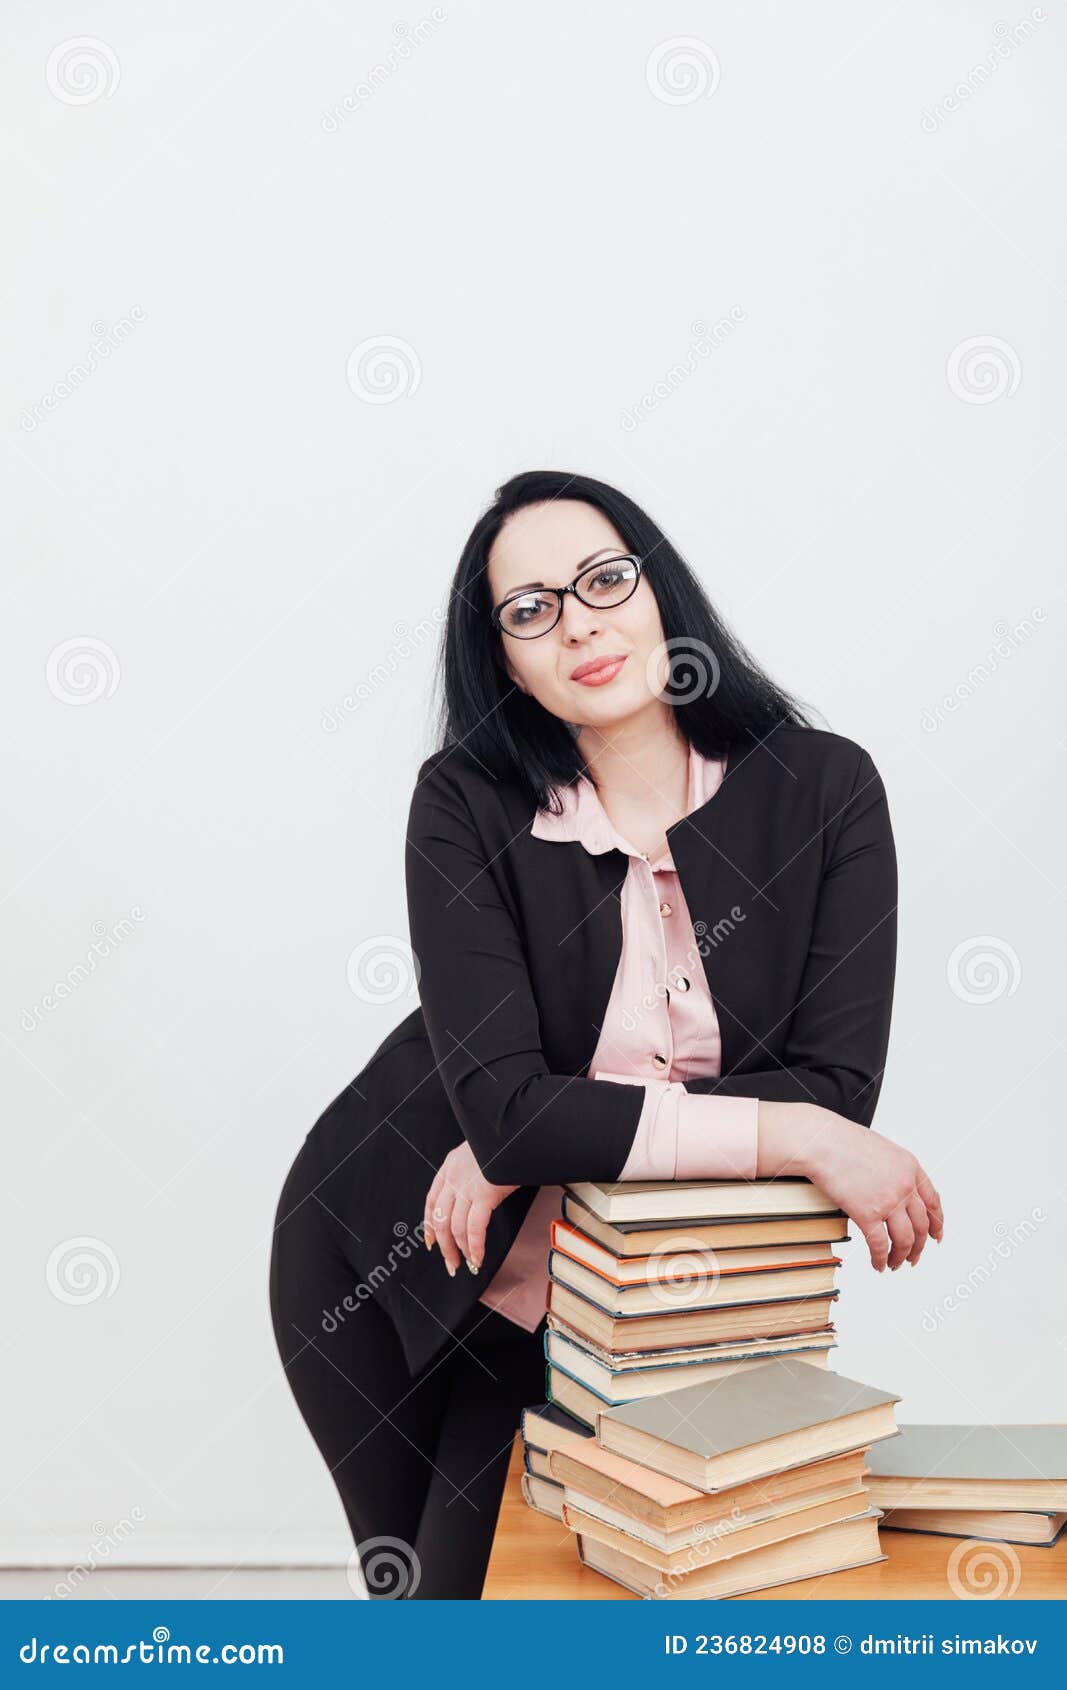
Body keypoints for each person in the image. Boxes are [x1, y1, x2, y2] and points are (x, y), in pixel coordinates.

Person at [269, 468, 944, 1600]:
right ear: (502, 658)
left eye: (601, 579)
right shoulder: (465, 801)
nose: (577, 621)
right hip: (390, 1253)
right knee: (429, 1612)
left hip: (628, 1297)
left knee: (620, 1602)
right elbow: (504, 1105)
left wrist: (535, 1135)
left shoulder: (822, 791)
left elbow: (832, 1086)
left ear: (657, 587)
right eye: (529, 609)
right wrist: (510, 1131)